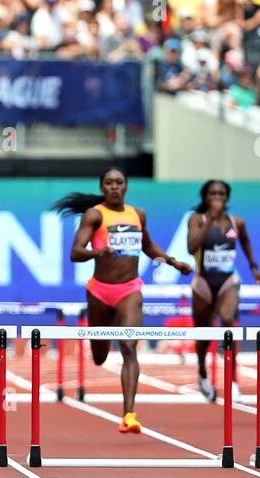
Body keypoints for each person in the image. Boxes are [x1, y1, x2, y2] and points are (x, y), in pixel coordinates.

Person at [58, 168, 193, 434]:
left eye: (119, 183)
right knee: (99, 355)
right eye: (109, 183)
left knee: (129, 346)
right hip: (99, 291)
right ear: (101, 188)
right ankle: (100, 347)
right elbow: (75, 252)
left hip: (129, 290)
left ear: (126, 187)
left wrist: (174, 262)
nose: (114, 187)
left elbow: (148, 246)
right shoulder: (95, 215)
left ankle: (128, 414)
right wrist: (98, 252)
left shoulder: (137, 214)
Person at [187, 180, 260, 401]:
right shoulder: (197, 220)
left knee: (228, 321)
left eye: (221, 193)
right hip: (202, 284)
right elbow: (191, 247)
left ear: (227, 197)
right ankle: (202, 372)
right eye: (212, 193)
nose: (217, 197)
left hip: (228, 282)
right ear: (205, 197)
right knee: (203, 335)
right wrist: (208, 220)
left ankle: (232, 380)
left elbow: (246, 242)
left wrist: (253, 267)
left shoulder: (236, 222)